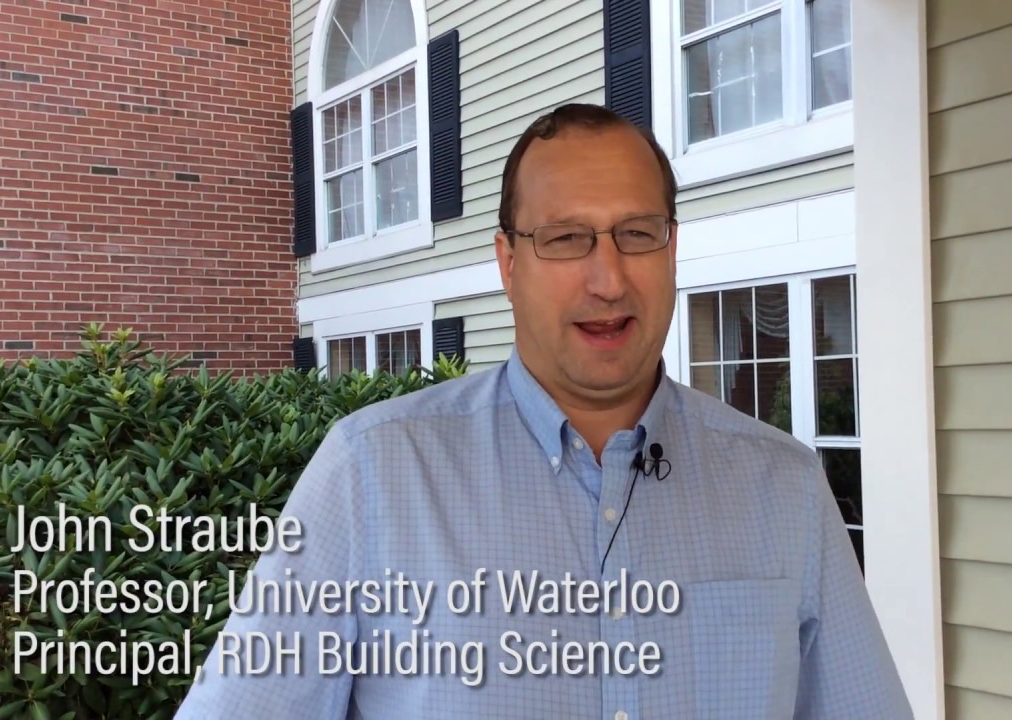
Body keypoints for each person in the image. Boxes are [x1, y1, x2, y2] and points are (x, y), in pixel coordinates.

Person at [175, 103, 912, 719]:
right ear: (508, 262)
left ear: (672, 248)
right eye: (565, 239)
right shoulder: (373, 474)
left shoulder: (784, 488)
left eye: (637, 234)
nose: (608, 278)